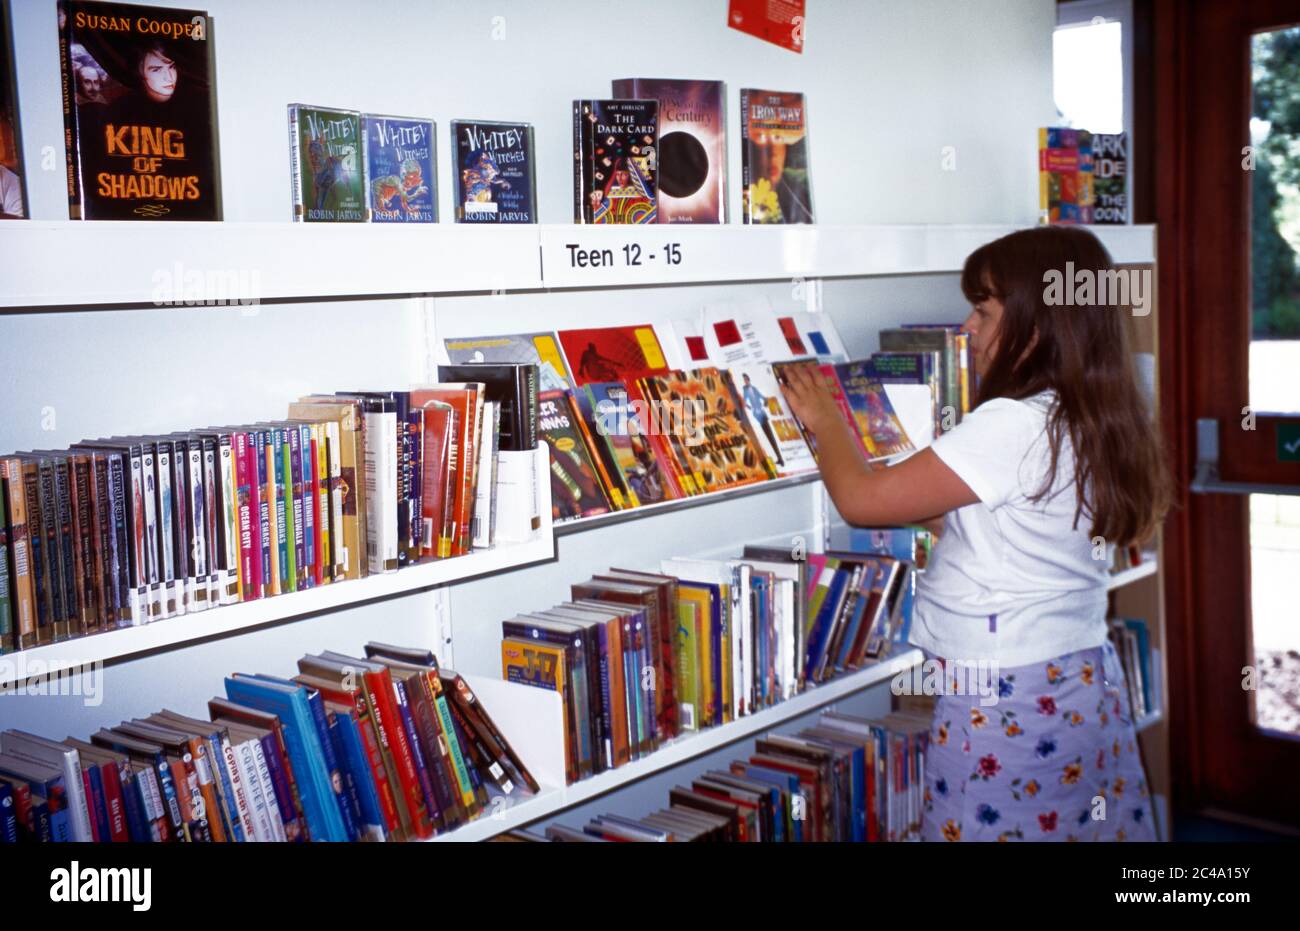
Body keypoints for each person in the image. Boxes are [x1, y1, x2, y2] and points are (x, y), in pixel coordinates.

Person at [779, 226, 1170, 842]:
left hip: (1004, 691)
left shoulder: (1011, 425)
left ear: (1035, 327)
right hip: (1082, 675)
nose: (968, 328)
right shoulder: (1096, 413)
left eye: (983, 312)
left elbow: (858, 501)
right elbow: (1003, 519)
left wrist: (825, 418)